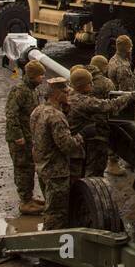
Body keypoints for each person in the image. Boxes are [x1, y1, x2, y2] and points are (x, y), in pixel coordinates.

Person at [31, 77, 84, 230]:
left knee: (50, 205)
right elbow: (67, 146)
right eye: (65, 91)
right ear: (56, 93)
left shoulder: (37, 111)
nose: (68, 93)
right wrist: (81, 137)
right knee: (57, 214)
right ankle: (53, 245)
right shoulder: (56, 116)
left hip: (42, 167)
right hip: (57, 172)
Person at [66, 65, 133, 177]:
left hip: (75, 142)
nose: (92, 85)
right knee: (93, 173)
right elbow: (109, 105)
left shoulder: (70, 95)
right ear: (82, 86)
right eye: (89, 83)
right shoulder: (83, 101)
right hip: (78, 143)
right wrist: (132, 95)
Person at [5, 60, 47, 215]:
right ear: (32, 76)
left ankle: (29, 198)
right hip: (19, 138)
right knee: (23, 168)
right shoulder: (19, 90)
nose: (42, 78)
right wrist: (17, 136)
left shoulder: (33, 90)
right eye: (40, 75)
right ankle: (25, 202)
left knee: (30, 167)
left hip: (29, 136)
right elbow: (11, 114)